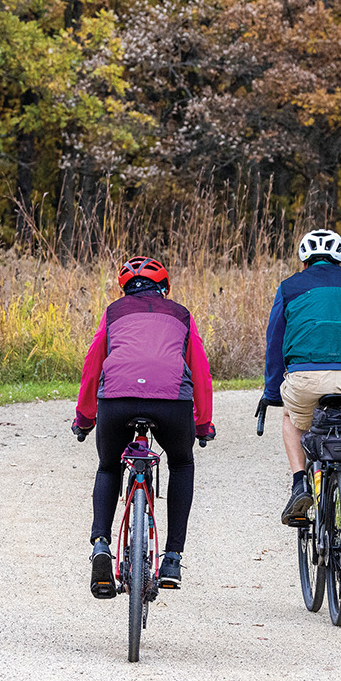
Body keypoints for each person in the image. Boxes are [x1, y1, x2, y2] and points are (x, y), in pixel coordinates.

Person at [72, 256, 215, 597]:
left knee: (108, 467)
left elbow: (93, 367)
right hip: (171, 402)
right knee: (181, 463)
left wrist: (84, 418)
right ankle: (172, 559)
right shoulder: (181, 315)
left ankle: (102, 545)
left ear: (124, 290)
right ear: (164, 289)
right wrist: (203, 423)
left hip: (117, 399)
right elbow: (200, 371)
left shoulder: (113, 313)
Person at [256, 229, 341, 598]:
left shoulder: (290, 286)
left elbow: (275, 341)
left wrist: (270, 391)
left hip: (306, 376)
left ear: (304, 259)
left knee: (292, 420)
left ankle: (299, 484)